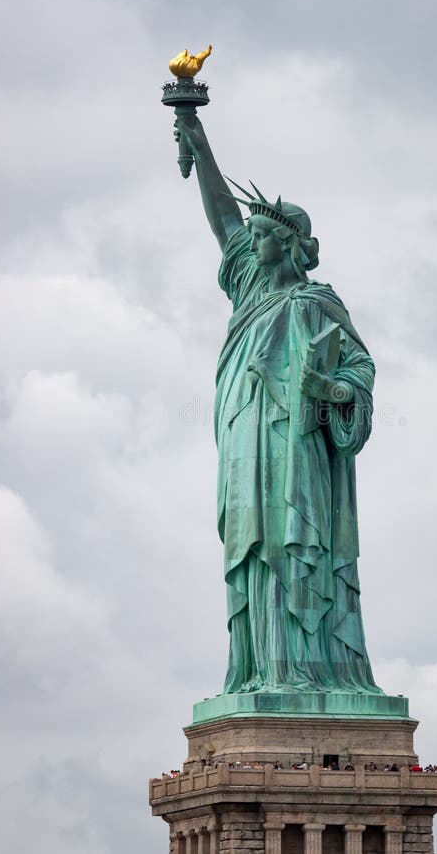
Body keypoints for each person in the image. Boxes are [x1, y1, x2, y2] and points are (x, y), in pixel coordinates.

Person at [176, 113, 382, 695]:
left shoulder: (318, 301)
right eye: (255, 234)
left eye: (264, 234)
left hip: (295, 440)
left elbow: (360, 367)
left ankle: (307, 670)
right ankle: (258, 669)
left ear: (289, 243)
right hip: (245, 438)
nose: (253, 239)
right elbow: (222, 217)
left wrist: (334, 391)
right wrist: (195, 131)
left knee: (296, 542)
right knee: (252, 548)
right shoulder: (248, 287)